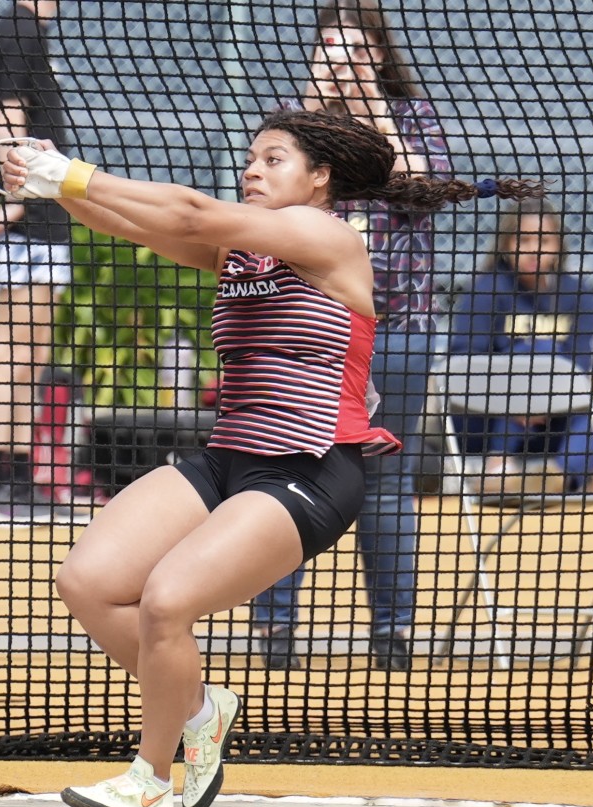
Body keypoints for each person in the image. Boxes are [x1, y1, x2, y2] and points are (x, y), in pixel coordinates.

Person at [0, 109, 541, 807]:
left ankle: (150, 777)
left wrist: (71, 174)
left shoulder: (325, 235)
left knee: (166, 602)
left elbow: (190, 211)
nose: (252, 169)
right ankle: (201, 707)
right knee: (89, 584)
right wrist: (48, 179)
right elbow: (127, 224)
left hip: (310, 468)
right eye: (251, 158)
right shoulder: (242, 251)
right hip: (230, 455)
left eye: (273, 159)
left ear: (320, 178)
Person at [251, 0, 453, 672]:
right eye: (331, 48)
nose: (342, 61)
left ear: (380, 54)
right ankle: (276, 631)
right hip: (304, 323)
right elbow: (266, 202)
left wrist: (369, 100)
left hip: (399, 323)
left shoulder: (413, 117)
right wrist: (313, 105)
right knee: (286, 470)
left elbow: (420, 187)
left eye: (357, 50)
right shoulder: (292, 121)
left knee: (387, 481)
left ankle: (392, 633)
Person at [0, 0, 77, 523]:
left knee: (32, 351)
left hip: (44, 218)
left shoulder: (30, 29)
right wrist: (13, 198)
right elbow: (6, 115)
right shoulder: (17, 26)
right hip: (27, 220)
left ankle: (14, 474)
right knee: (11, 346)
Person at [448, 197, 593, 494]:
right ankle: (499, 462)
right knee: (537, 352)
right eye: (525, 239)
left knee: (592, 406)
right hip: (487, 416)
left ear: (559, 246)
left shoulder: (580, 295)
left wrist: (541, 400)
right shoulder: (484, 290)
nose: (534, 249)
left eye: (544, 240)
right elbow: (465, 361)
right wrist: (516, 399)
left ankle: (556, 477)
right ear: (506, 244)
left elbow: (580, 366)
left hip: (554, 416)